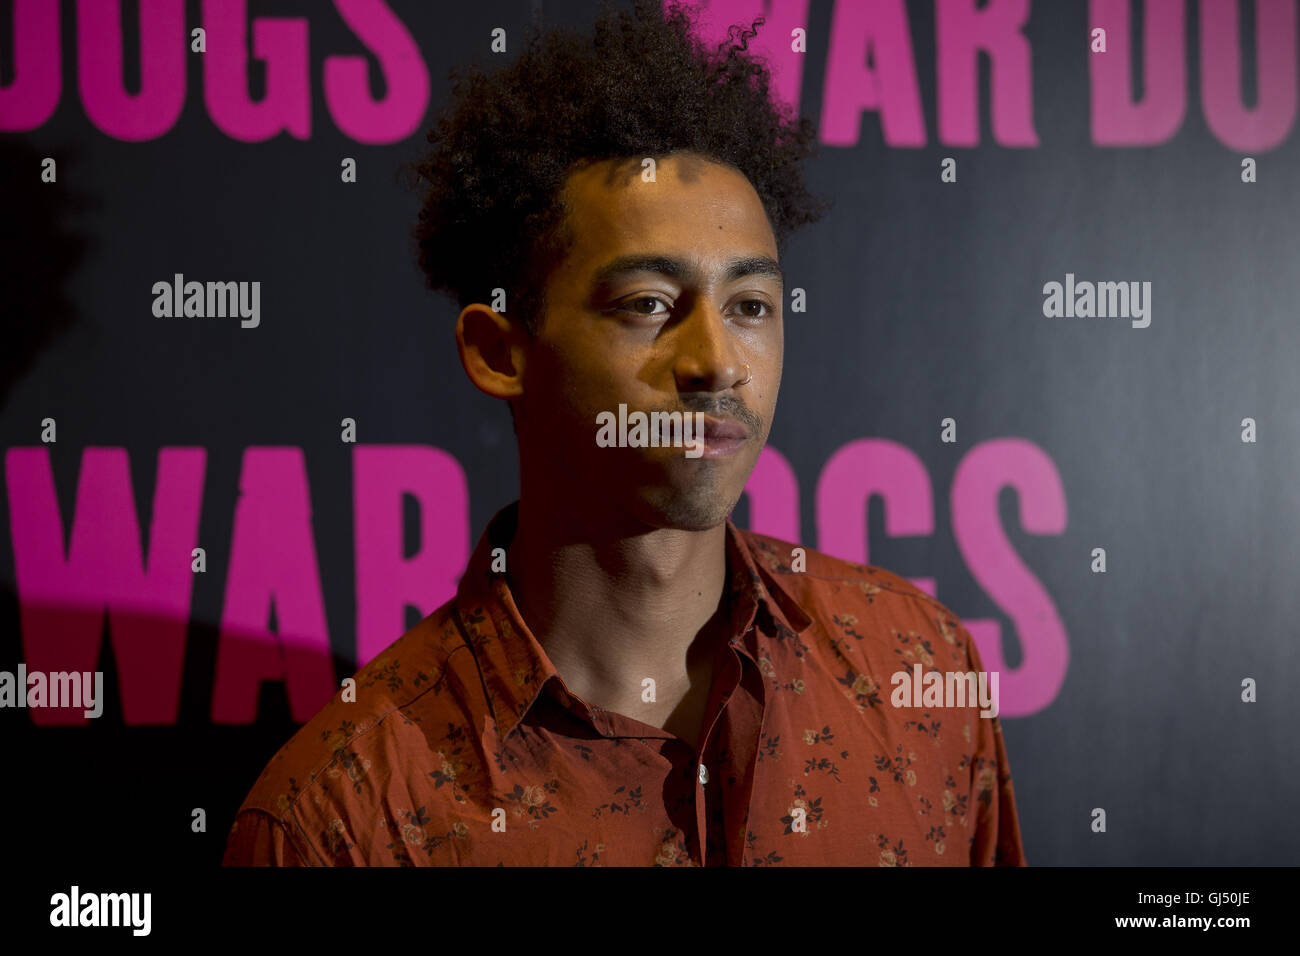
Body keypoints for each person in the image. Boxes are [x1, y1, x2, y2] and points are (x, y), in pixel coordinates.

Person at [223, 0, 1026, 867]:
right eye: (647, 305)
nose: (717, 363)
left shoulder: (918, 669)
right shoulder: (345, 813)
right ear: (500, 352)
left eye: (750, 306)